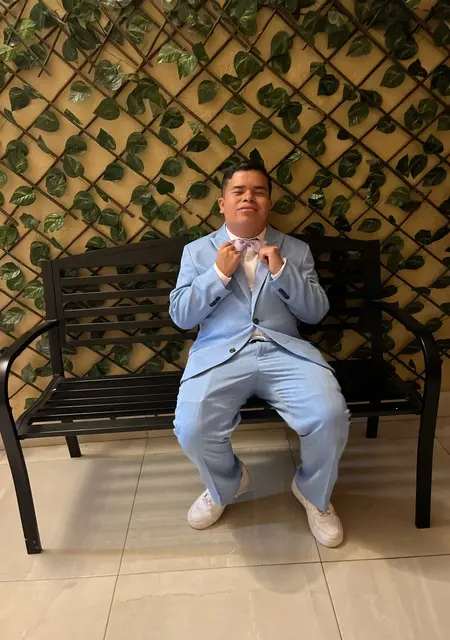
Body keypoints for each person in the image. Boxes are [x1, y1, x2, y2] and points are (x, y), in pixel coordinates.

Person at [169, 161, 350, 548]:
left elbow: (315, 312)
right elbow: (181, 316)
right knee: (192, 427)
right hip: (220, 355)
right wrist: (217, 275)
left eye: (258, 191)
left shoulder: (296, 250)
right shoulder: (196, 252)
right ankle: (227, 483)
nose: (248, 197)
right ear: (222, 203)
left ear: (268, 203)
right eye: (238, 191)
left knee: (330, 415)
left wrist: (283, 271)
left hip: (285, 351)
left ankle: (313, 493)